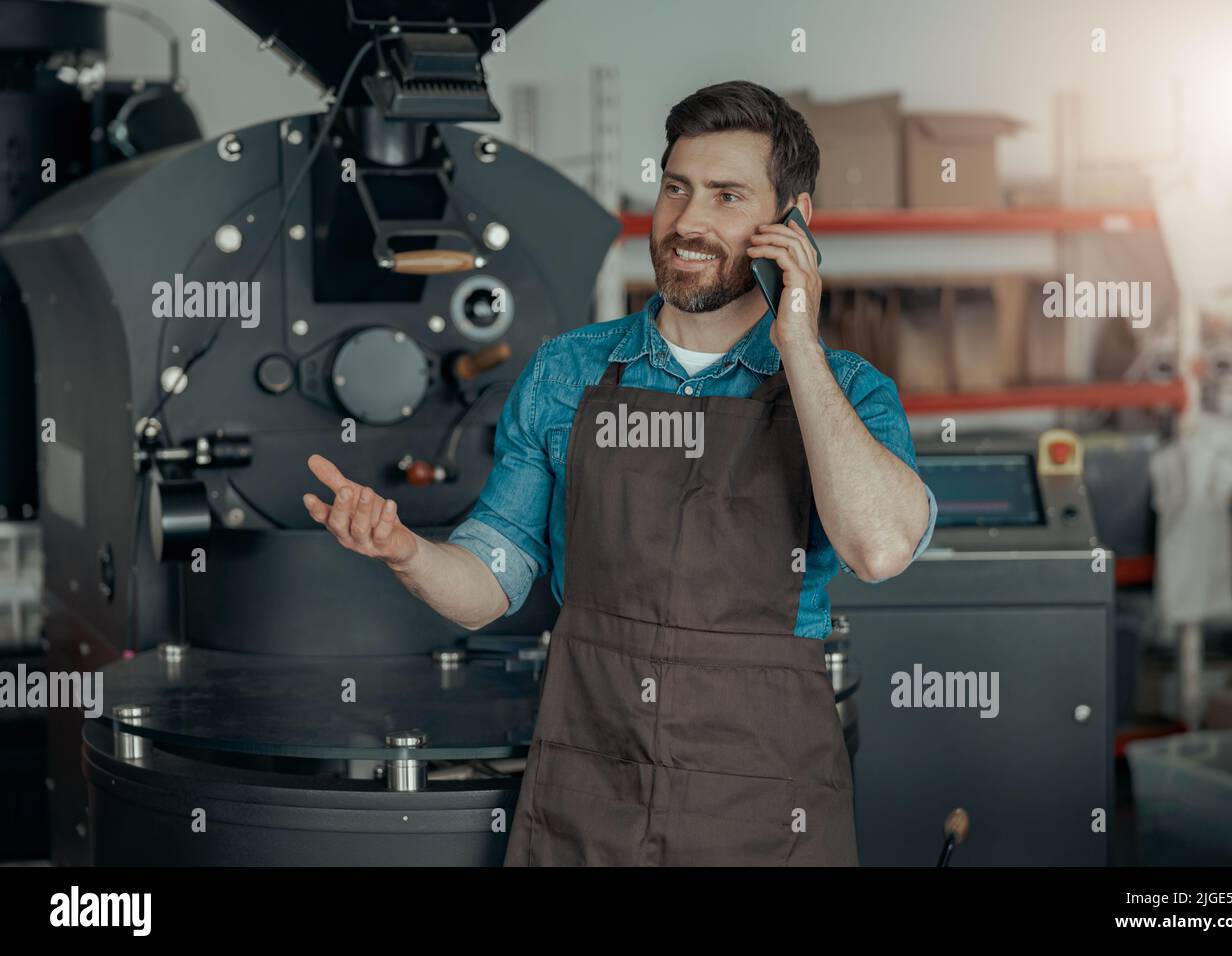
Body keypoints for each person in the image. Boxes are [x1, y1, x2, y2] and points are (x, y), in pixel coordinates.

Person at [303, 79, 937, 866]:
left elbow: (879, 548)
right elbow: (490, 581)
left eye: (727, 196)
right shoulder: (567, 374)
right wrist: (408, 553)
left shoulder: (848, 392)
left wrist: (798, 343)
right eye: (677, 188)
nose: (689, 221)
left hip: (766, 809)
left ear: (793, 223)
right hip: (587, 797)